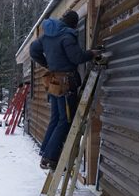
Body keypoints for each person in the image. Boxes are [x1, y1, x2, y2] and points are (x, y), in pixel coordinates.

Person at [29, 10, 99, 169]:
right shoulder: (67, 36)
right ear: (74, 24)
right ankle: (50, 157)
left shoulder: (48, 34)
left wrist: (47, 64)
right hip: (66, 84)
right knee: (65, 120)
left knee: (56, 118)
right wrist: (92, 53)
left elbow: (33, 50)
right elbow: (77, 58)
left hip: (54, 82)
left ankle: (46, 152)